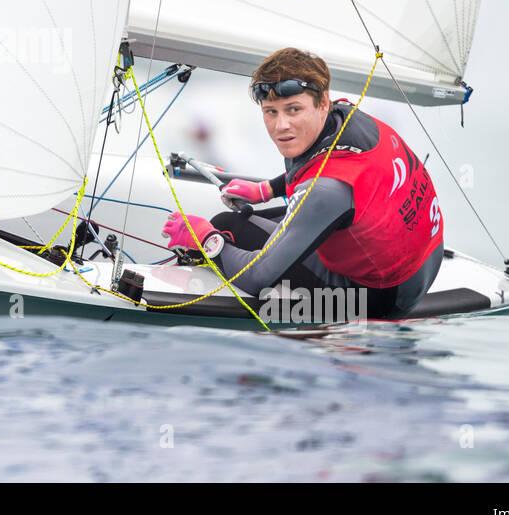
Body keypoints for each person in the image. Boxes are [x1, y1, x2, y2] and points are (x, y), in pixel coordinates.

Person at [160, 47, 444, 320]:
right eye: (271, 111)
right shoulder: (348, 117)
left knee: (227, 228)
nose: (281, 125)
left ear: (322, 104)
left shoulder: (326, 190)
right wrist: (267, 189)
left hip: (382, 299)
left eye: (293, 110)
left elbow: (258, 278)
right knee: (259, 222)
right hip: (428, 257)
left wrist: (208, 241)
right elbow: (326, 170)